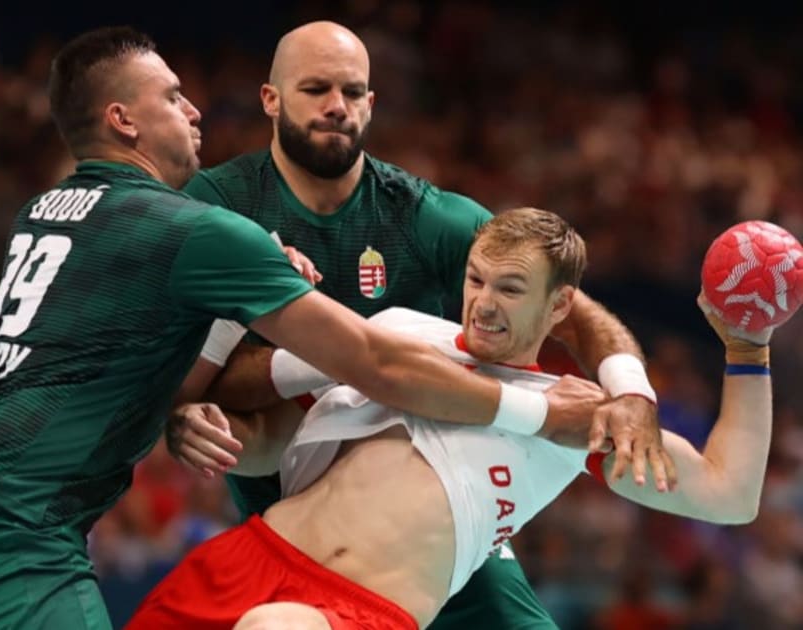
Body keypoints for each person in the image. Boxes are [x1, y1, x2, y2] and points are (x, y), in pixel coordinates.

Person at [0, 27, 603, 630]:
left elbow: (129, 367)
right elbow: (372, 364)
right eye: (172, 97)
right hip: (12, 529)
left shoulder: (44, 213)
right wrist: (539, 410)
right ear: (123, 121)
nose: (195, 111)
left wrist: (197, 377)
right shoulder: (200, 227)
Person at [173, 20, 668, 629]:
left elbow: (577, 312)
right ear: (270, 99)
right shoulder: (217, 207)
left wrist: (633, 392)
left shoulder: (424, 215)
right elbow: (185, 369)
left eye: (353, 93)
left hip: (431, 502)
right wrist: (186, 409)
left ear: (372, 104)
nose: (337, 106)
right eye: (316, 89)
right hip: (285, 506)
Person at [132, 208, 781, 630]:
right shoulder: (396, 333)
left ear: (559, 308)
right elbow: (262, 424)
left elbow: (730, 493)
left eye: (510, 288)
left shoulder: (573, 414)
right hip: (247, 558)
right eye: (476, 280)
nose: (483, 304)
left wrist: (746, 350)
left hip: (352, 614)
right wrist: (201, 422)